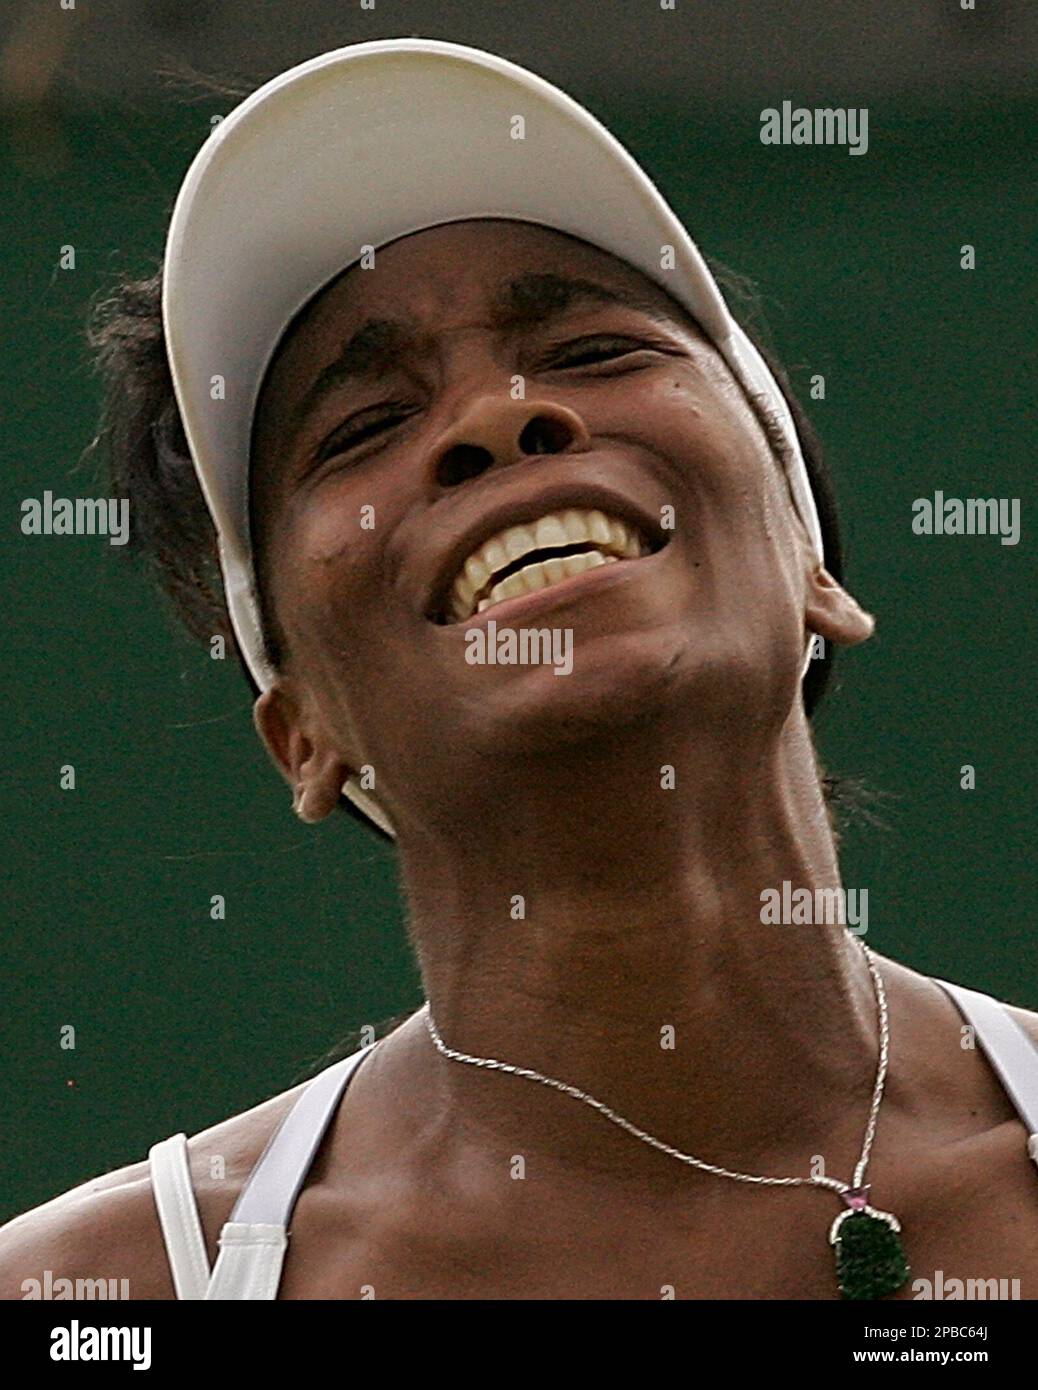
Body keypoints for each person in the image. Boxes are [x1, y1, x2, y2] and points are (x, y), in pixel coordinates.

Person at [2, 39, 1036, 1302]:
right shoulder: (94, 1300)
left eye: (598, 350)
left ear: (816, 564)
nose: (498, 418)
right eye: (367, 425)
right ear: (303, 731)